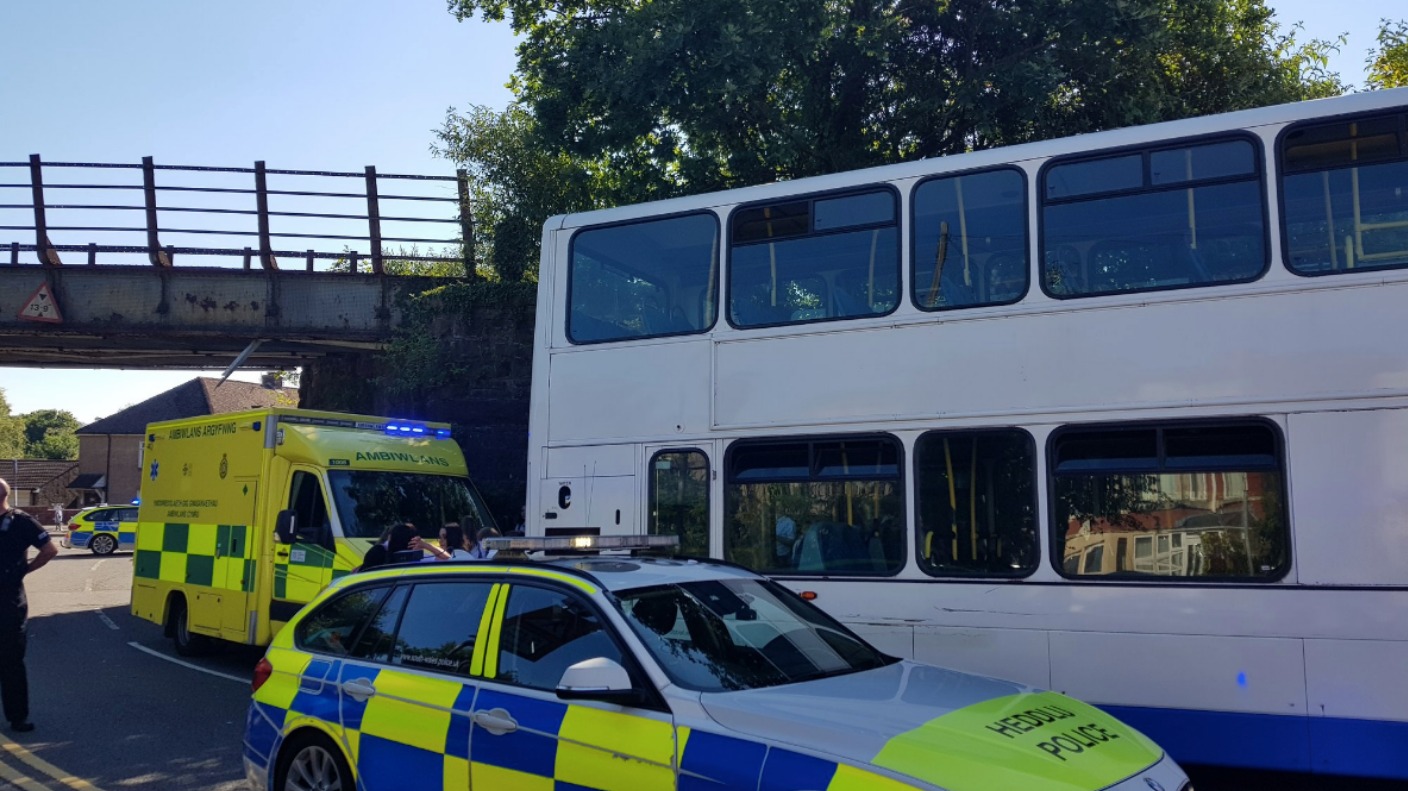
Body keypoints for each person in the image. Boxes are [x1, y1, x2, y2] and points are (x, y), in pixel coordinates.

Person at [0, 479, 58, 733]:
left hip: (8, 599)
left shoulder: (20, 521)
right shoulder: (23, 521)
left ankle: (18, 716)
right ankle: (18, 718)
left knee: (11, 661)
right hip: (10, 598)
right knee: (12, 661)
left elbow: (50, 549)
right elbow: (48, 550)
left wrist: (24, 570)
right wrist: (23, 570)